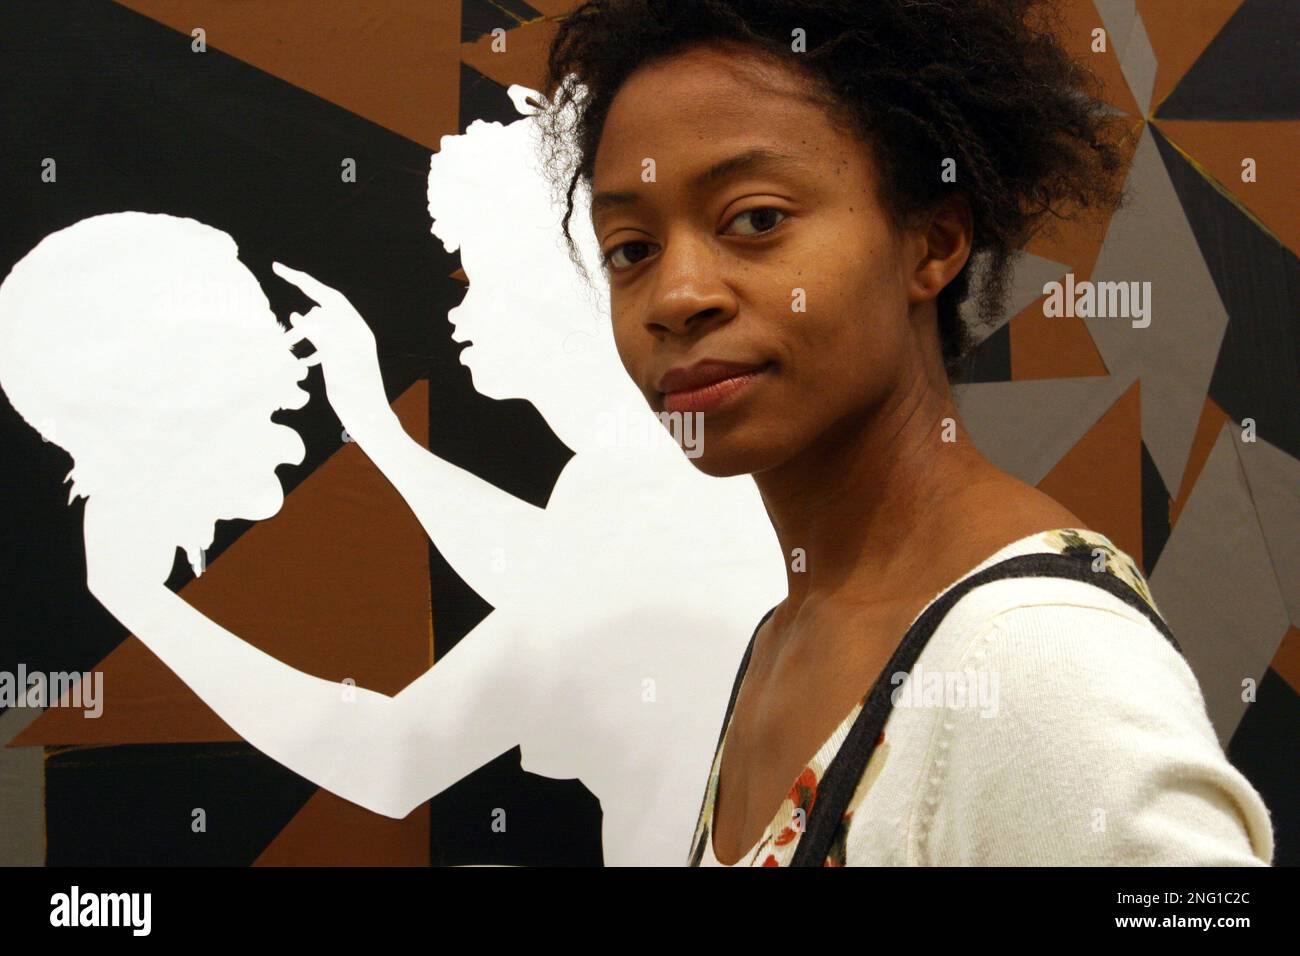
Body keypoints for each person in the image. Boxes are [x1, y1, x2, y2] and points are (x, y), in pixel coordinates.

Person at [532, 0, 1275, 865]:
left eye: (757, 219)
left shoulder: (1036, 655)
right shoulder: (788, 636)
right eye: (631, 249)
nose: (675, 296)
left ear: (933, 241)